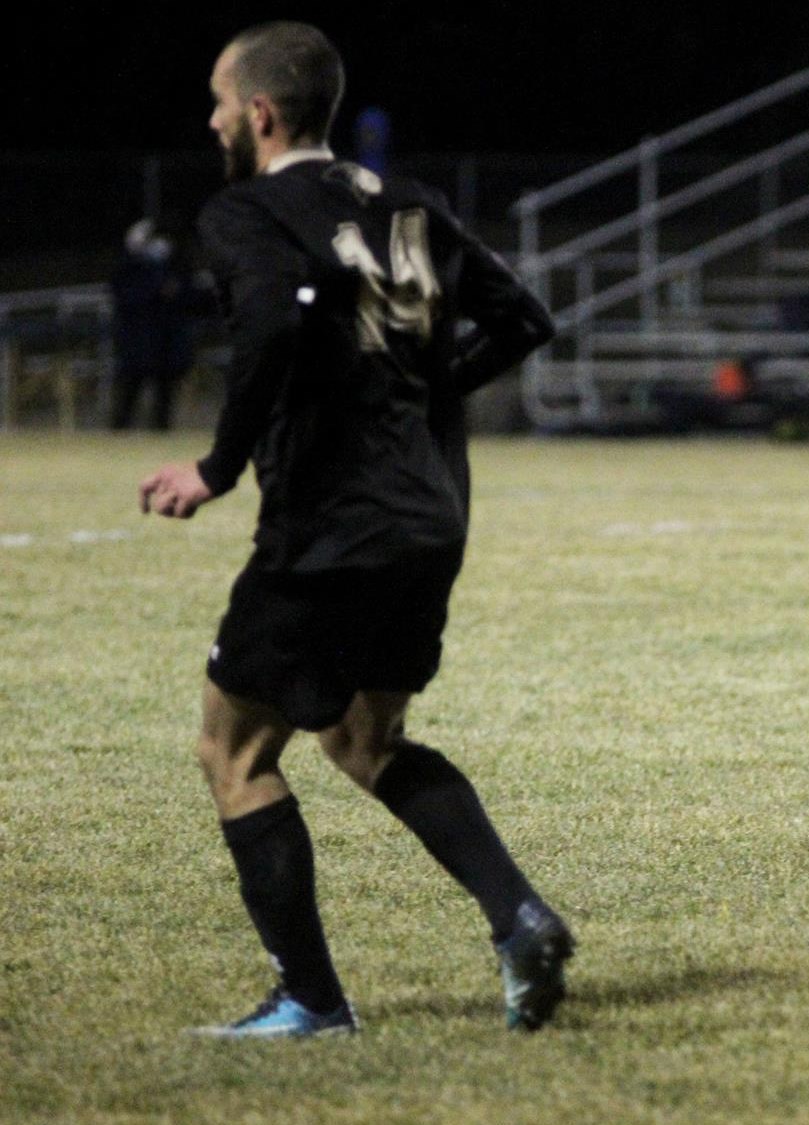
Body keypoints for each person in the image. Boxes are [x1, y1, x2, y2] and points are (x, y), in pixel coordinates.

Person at [137, 22, 569, 1038]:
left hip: (328, 522)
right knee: (365, 738)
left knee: (231, 751)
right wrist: (426, 395)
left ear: (259, 114)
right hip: (429, 514)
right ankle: (518, 916)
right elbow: (523, 320)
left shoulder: (247, 211)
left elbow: (275, 327)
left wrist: (215, 467)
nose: (208, 121)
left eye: (216, 102)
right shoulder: (410, 201)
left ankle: (312, 1001)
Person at [109, 218, 204, 431]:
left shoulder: (177, 265)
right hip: (138, 340)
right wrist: (156, 289)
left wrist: (176, 291)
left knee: (164, 394)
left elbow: (191, 297)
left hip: (167, 341)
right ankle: (118, 433)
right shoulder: (129, 267)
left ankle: (160, 433)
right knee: (130, 390)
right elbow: (125, 298)